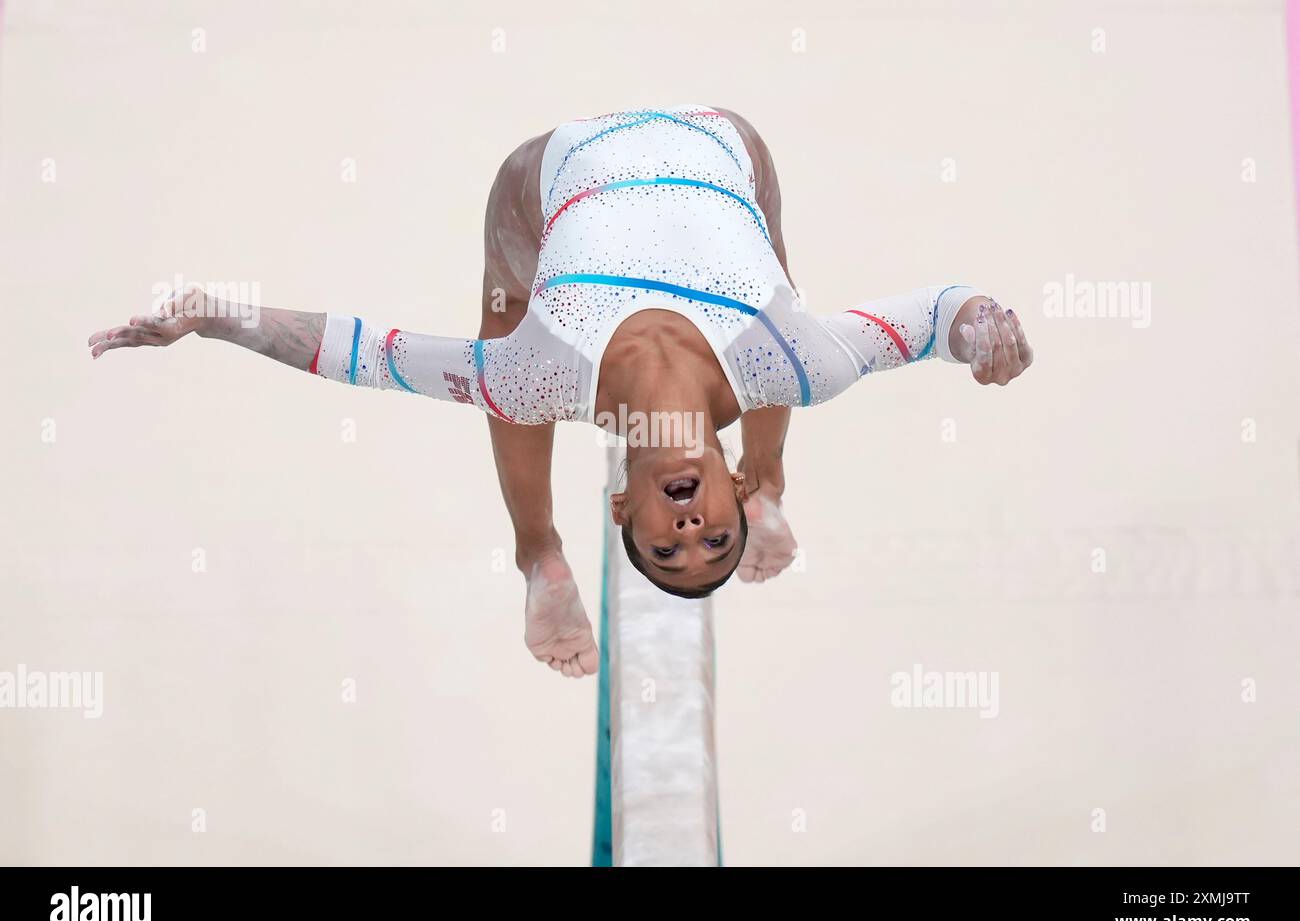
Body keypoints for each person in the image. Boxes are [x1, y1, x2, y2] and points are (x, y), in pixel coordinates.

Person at [87, 104, 1033, 679]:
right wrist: (980, 326)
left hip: (548, 175)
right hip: (720, 138)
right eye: (716, 534)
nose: (690, 528)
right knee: (795, 332)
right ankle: (777, 480)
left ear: (620, 504)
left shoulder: (546, 371)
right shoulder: (798, 365)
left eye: (668, 545)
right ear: (727, 491)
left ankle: (539, 556)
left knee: (510, 383)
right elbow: (936, 313)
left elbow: (368, 353)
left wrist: (210, 315)